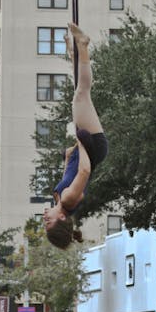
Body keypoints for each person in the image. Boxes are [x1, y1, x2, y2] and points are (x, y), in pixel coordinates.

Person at [44, 22, 108, 249]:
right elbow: (84, 171)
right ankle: (83, 45)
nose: (44, 219)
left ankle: (76, 52)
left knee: (79, 95)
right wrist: (80, 144)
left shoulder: (60, 199)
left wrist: (67, 157)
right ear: (61, 218)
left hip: (87, 151)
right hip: (93, 148)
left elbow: (69, 173)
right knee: (81, 96)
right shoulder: (69, 201)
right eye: (48, 222)